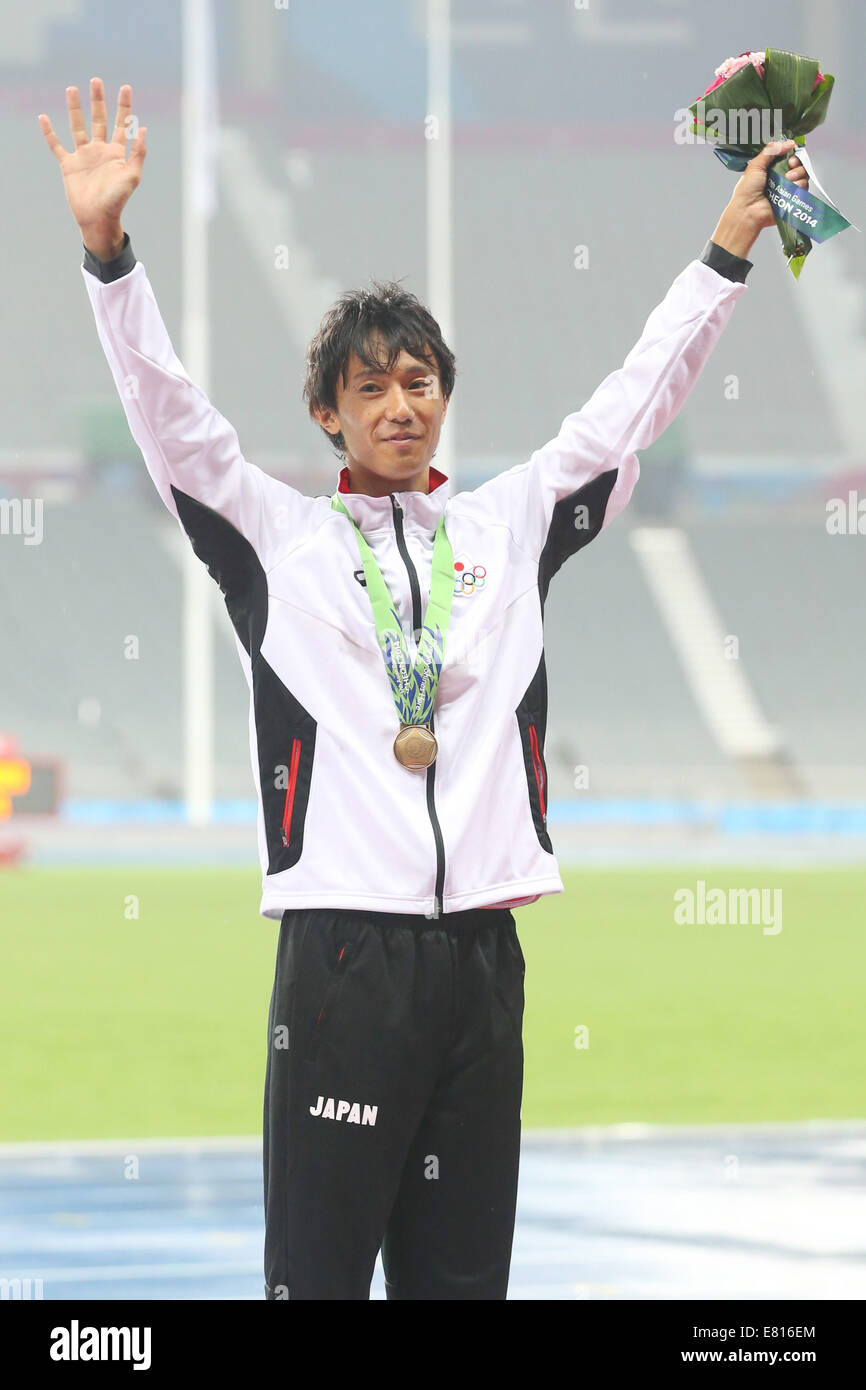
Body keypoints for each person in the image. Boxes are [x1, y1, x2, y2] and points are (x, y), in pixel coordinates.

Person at [39, 78, 808, 1301]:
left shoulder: (507, 527)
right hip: (343, 961)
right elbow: (172, 423)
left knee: (462, 1289)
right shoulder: (276, 543)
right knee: (321, 1282)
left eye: (418, 380)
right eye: (370, 389)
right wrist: (107, 253)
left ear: (443, 390)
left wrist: (725, 249)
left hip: (481, 965)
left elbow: (632, 401)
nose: (399, 406)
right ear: (328, 414)